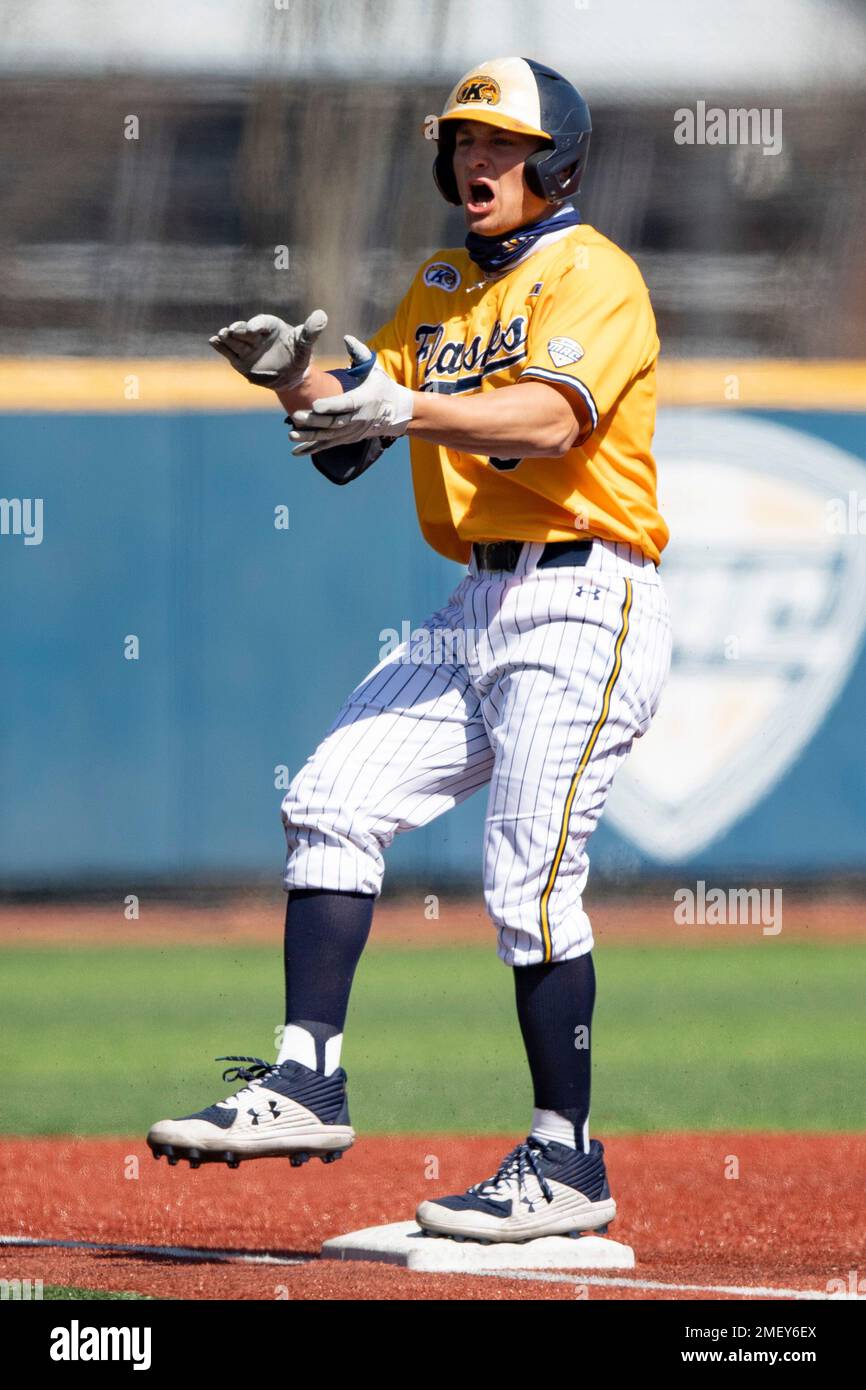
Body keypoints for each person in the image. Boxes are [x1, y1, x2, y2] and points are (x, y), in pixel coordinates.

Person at [147, 56, 672, 1245]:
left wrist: (400, 405)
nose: (476, 161)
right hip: (476, 600)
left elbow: (549, 418)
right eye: (462, 144)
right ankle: (303, 1079)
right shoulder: (441, 282)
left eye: (500, 144)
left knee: (528, 881)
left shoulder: (593, 273)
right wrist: (293, 378)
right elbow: (351, 434)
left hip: (586, 596)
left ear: (556, 161)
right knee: (330, 798)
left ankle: (565, 1156)